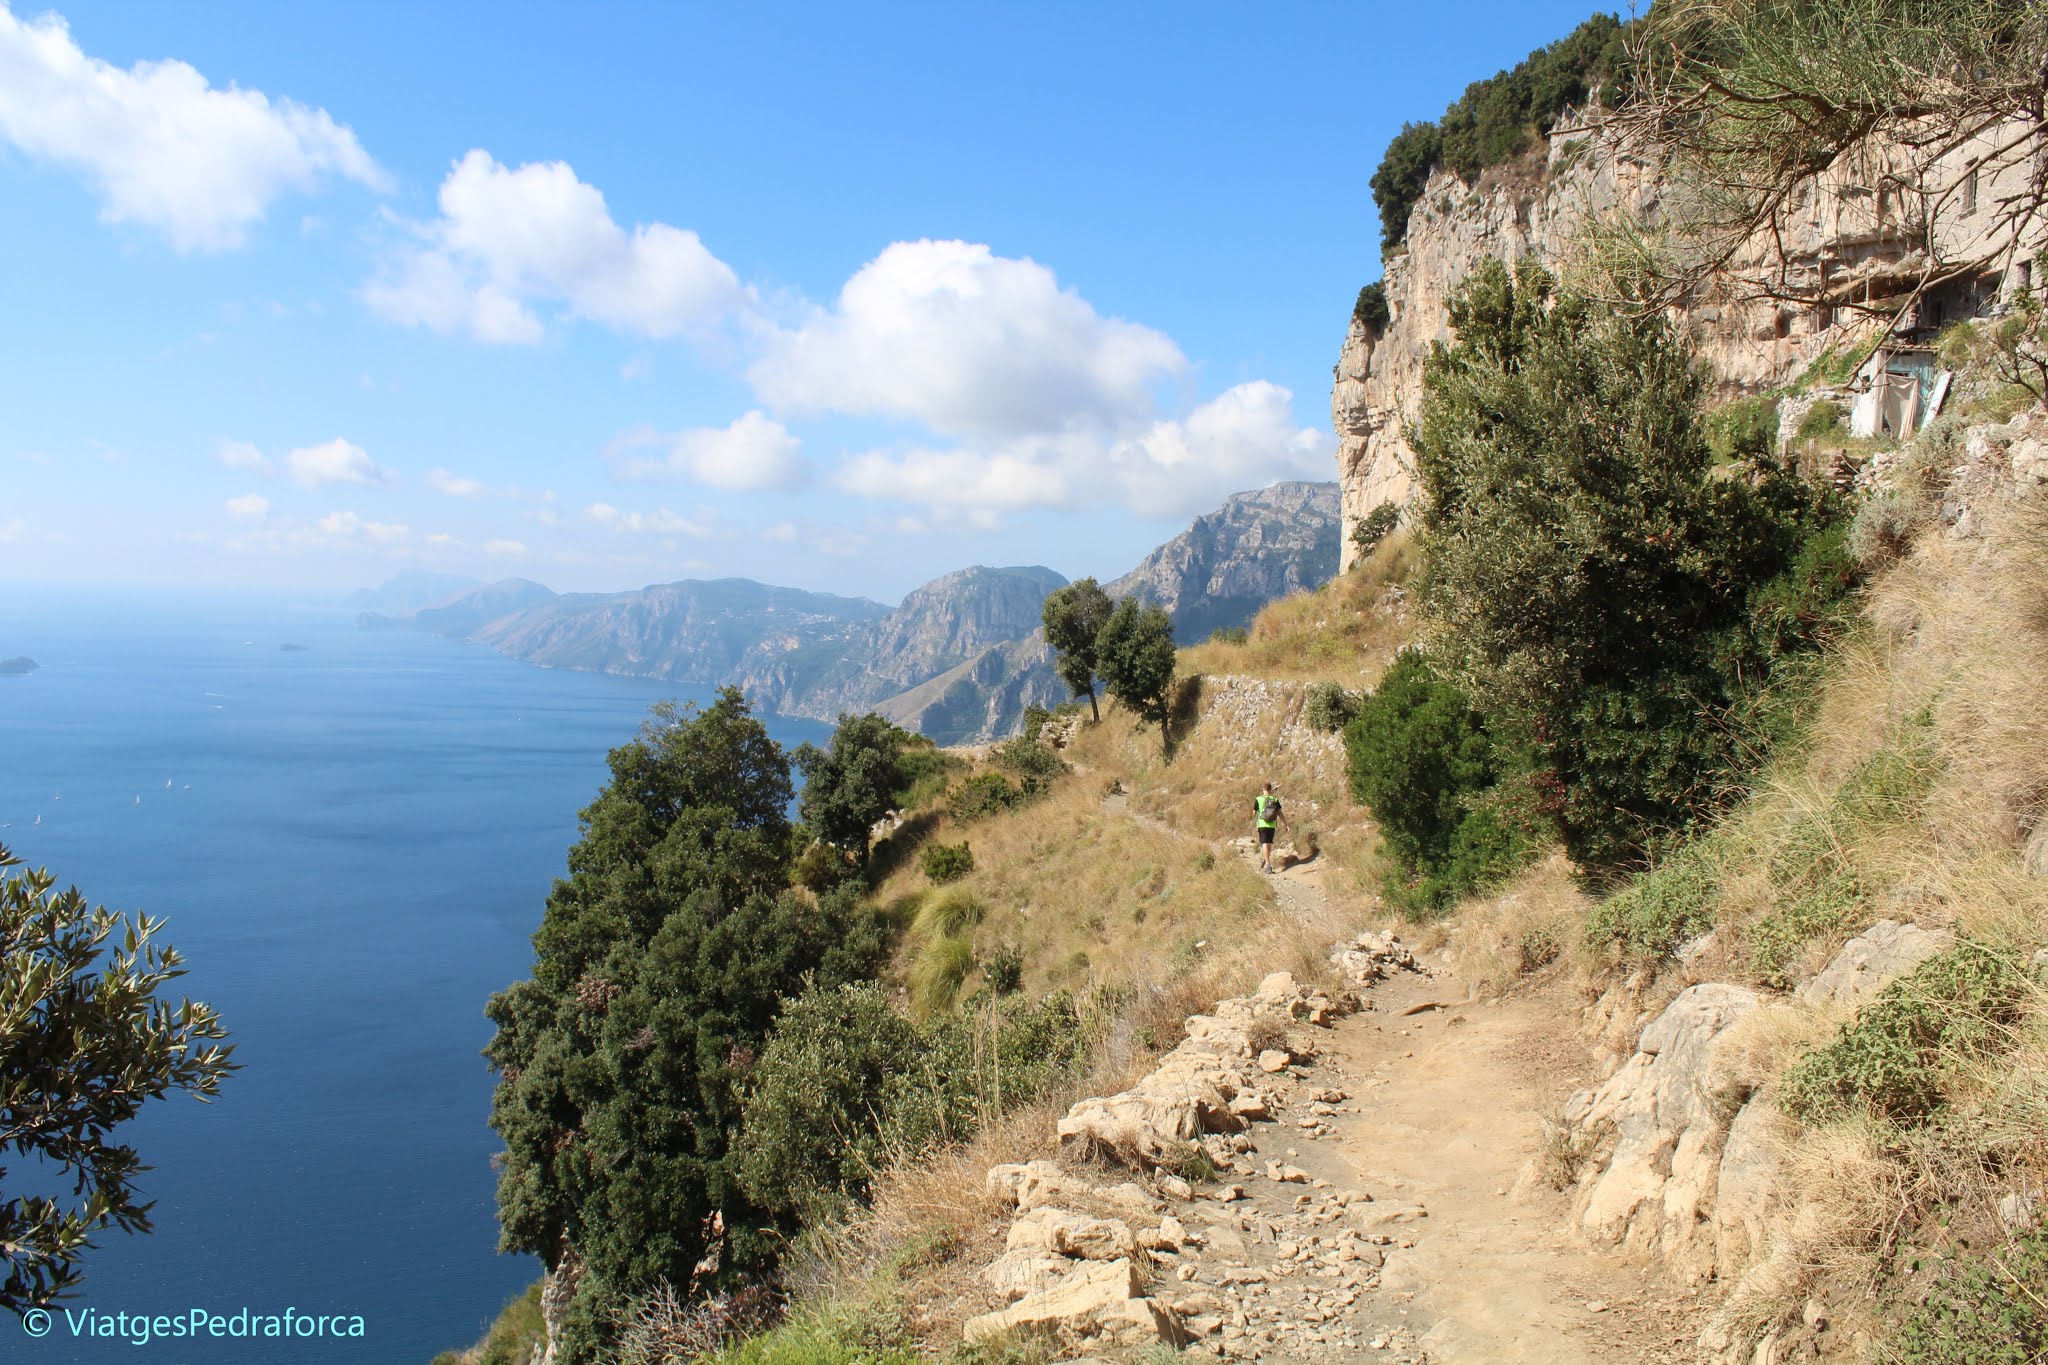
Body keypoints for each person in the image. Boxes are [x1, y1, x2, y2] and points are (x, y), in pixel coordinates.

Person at [1252, 782, 1291, 873]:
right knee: (1268, 843)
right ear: (1270, 789)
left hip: (1262, 824)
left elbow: (1254, 813)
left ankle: (1268, 864)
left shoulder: (1258, 799)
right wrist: (1286, 824)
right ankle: (1266, 859)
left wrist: (1257, 813)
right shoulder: (1274, 799)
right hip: (1272, 824)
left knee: (1264, 843)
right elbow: (1280, 813)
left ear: (1263, 789)